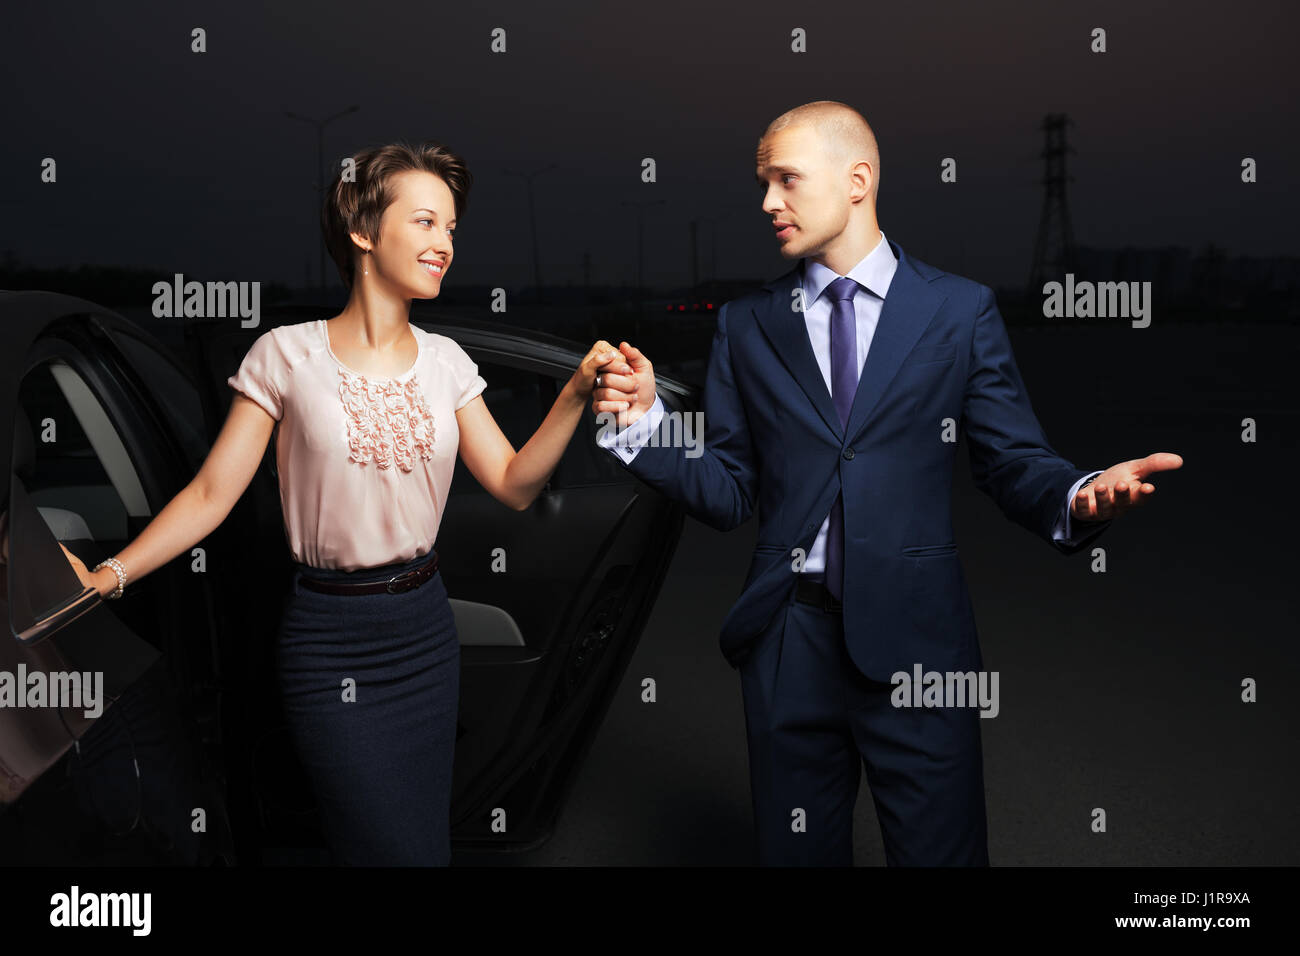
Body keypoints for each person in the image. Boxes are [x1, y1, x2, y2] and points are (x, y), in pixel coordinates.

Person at [589, 101, 1183, 865]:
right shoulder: (745, 324)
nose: (768, 202)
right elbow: (731, 484)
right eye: (763, 183)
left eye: (786, 180)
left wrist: (1078, 493)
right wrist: (642, 428)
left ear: (858, 179)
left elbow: (1010, 461)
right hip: (787, 642)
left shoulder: (957, 311)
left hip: (920, 647)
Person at [61, 140, 631, 866]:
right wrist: (105, 576)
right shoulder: (284, 356)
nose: (445, 244)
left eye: (452, 229)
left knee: (423, 844)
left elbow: (517, 485)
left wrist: (577, 392)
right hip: (329, 644)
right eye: (425, 222)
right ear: (363, 231)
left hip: (425, 632)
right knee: (383, 846)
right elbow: (210, 494)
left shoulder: (448, 363)